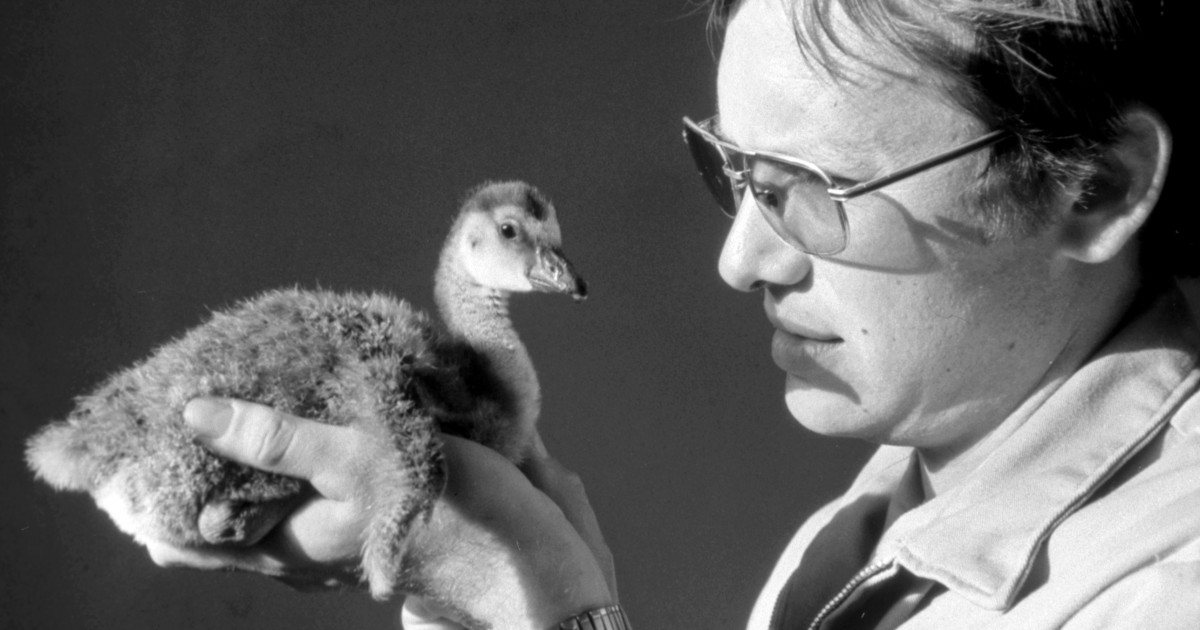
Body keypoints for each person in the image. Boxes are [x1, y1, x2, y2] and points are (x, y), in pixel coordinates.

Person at [106, 0, 1199, 627]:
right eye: (732, 168)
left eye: (815, 191)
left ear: (1093, 189)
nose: (739, 258)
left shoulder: (1156, 595)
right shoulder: (900, 504)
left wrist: (542, 611)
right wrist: (514, 576)